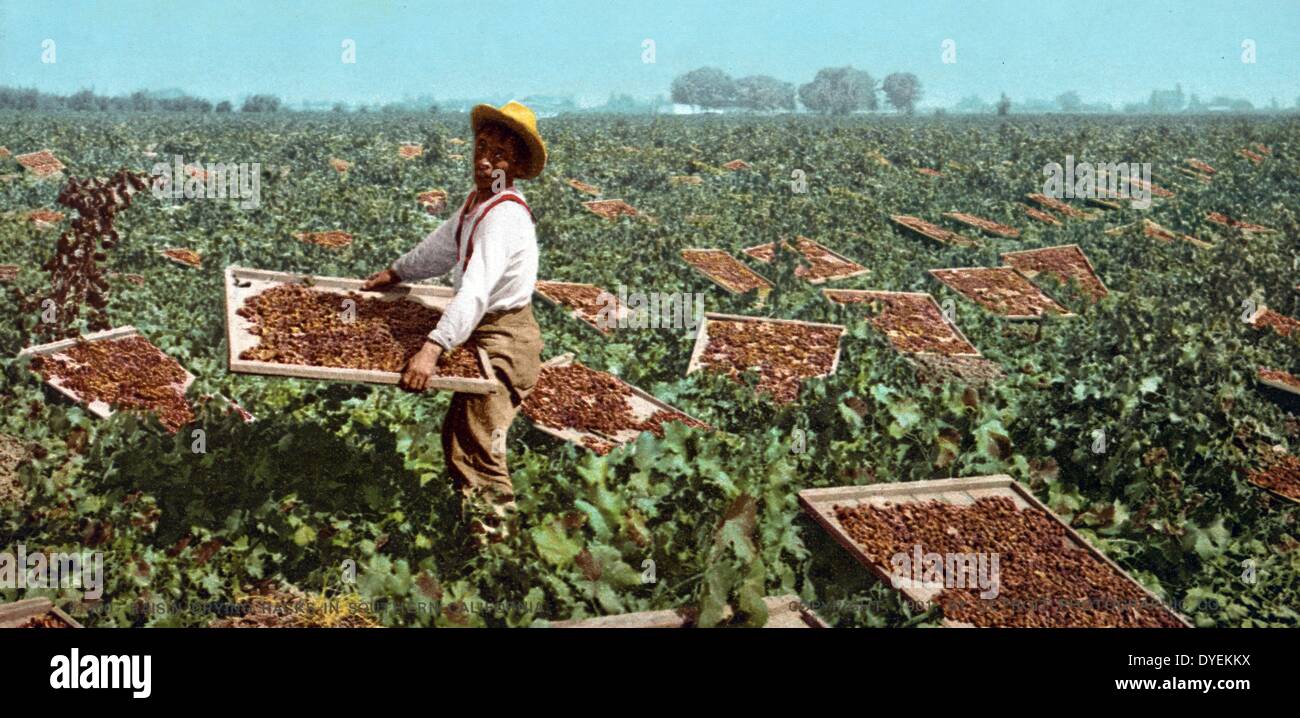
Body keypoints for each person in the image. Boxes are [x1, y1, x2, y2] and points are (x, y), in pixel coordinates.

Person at [362, 101, 546, 545]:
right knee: (461, 433)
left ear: (518, 166)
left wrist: (432, 349)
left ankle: (499, 551)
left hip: (505, 340)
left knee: (481, 444)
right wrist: (397, 272)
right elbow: (442, 247)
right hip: (482, 329)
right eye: (481, 147)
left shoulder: (504, 216)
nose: (485, 161)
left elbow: (476, 291)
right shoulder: (478, 203)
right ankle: (475, 531)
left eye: (499, 155)